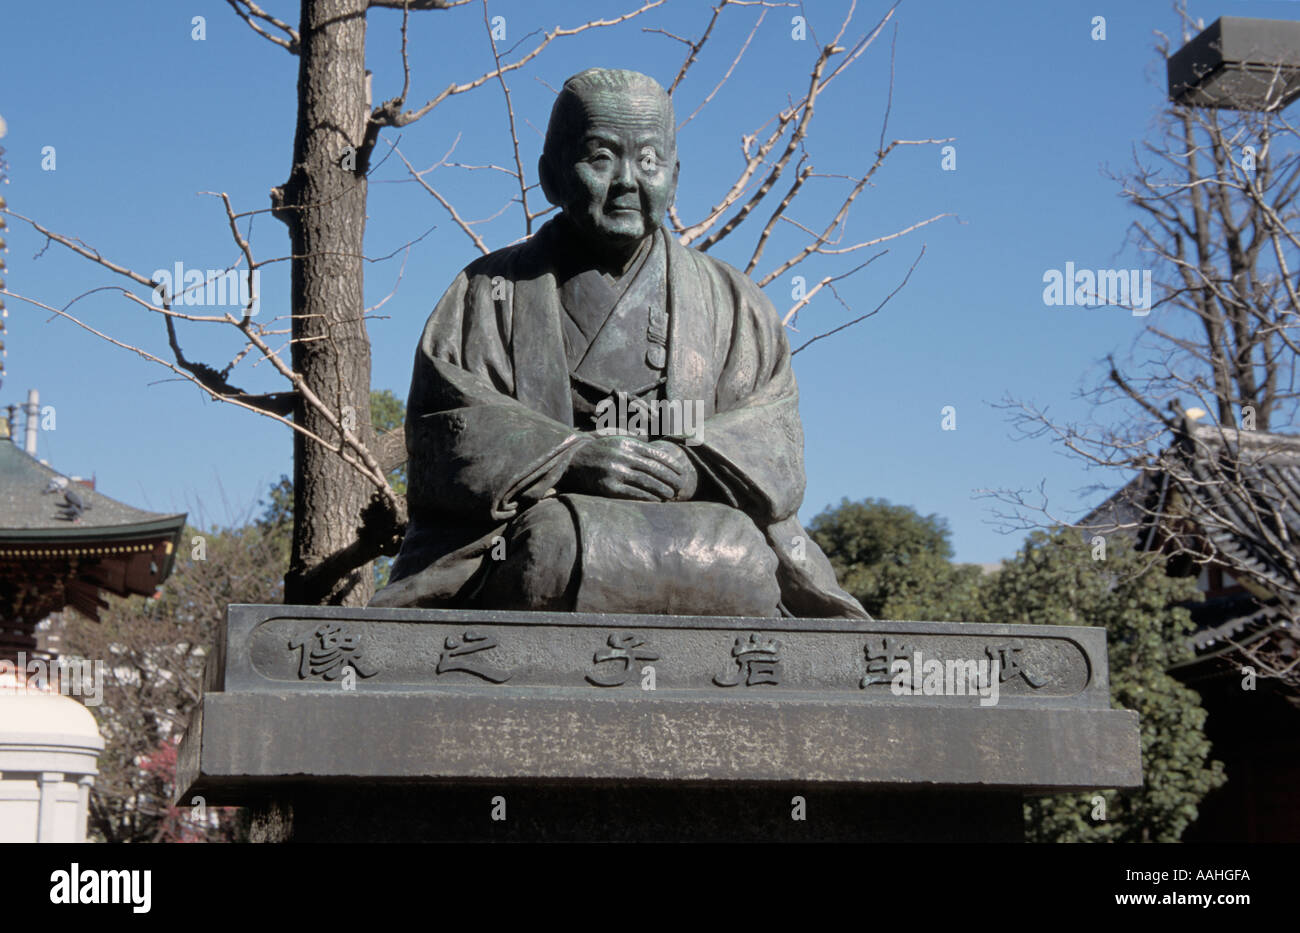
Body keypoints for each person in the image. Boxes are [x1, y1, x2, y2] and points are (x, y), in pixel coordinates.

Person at [370, 68, 867, 619]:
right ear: (551, 176)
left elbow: (774, 438)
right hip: (523, 539)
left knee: (743, 556)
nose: (629, 180)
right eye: (601, 158)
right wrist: (570, 456)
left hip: (706, 536)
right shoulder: (486, 295)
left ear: (675, 177)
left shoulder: (734, 302)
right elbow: (446, 430)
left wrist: (695, 462)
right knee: (549, 547)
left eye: (650, 160)